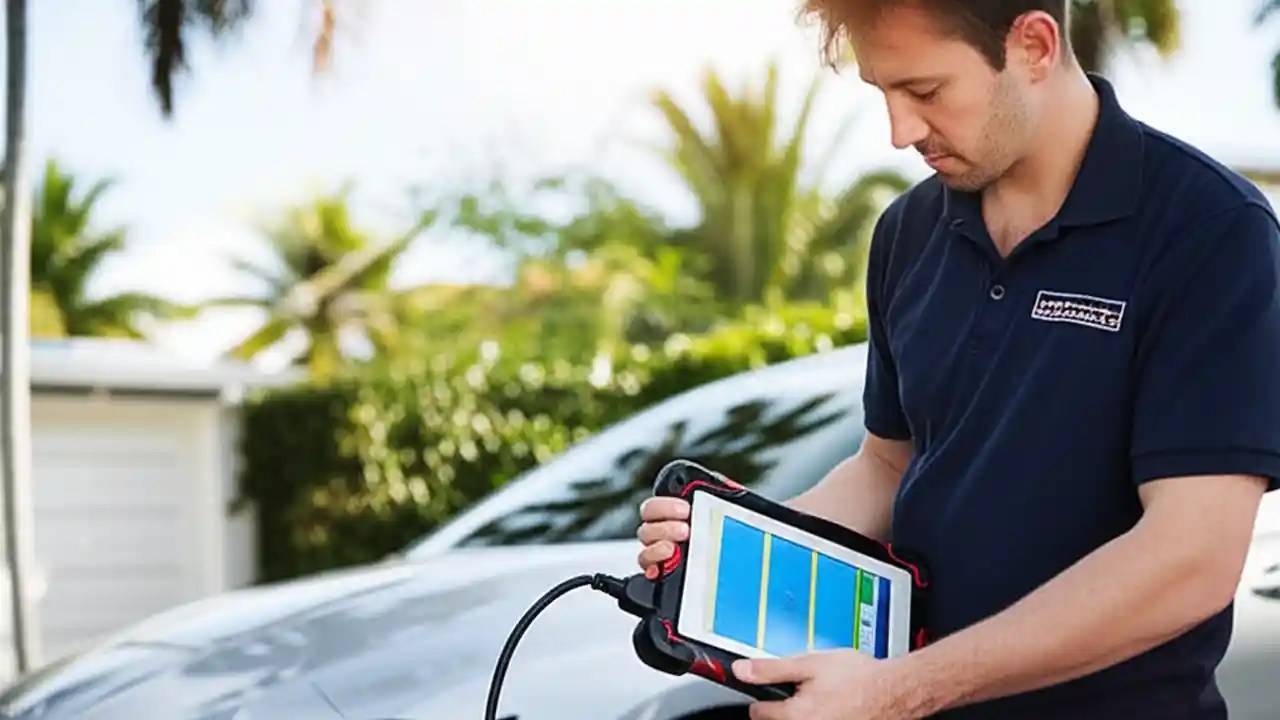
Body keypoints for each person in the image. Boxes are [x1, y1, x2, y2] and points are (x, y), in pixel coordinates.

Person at [635, 1, 1280, 718]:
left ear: (1034, 45)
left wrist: (905, 689)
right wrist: (740, 542)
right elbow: (889, 465)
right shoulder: (908, 231)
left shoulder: (1210, 230)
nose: (900, 131)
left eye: (926, 91)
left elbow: (1192, 556)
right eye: (883, 92)